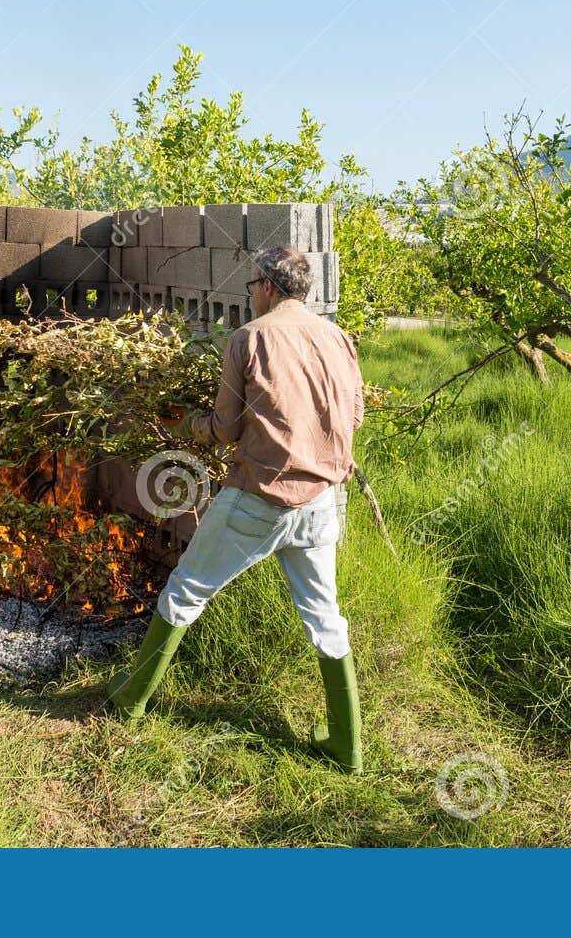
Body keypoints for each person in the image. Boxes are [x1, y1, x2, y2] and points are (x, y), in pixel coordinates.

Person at [107, 246, 366, 773]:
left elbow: (225, 429)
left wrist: (187, 427)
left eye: (251, 285)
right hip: (319, 503)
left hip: (258, 498)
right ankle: (347, 746)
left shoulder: (249, 338)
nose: (249, 294)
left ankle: (129, 703)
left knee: (185, 591)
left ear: (268, 287)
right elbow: (355, 414)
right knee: (325, 619)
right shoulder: (337, 338)